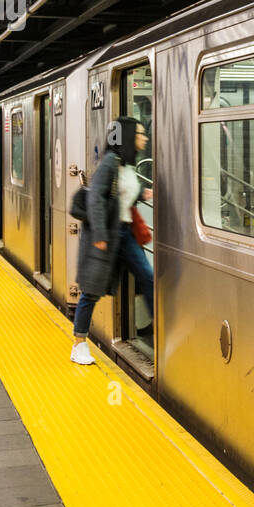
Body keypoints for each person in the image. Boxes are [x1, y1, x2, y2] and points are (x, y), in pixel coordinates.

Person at [69, 117, 154, 365]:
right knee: (91, 291)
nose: (144, 138)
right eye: (140, 133)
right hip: (105, 235)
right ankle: (79, 344)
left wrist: (141, 193)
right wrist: (100, 236)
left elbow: (121, 194)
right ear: (128, 136)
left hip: (125, 235)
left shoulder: (127, 165)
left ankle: (160, 329)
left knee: (147, 276)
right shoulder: (110, 163)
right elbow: (95, 198)